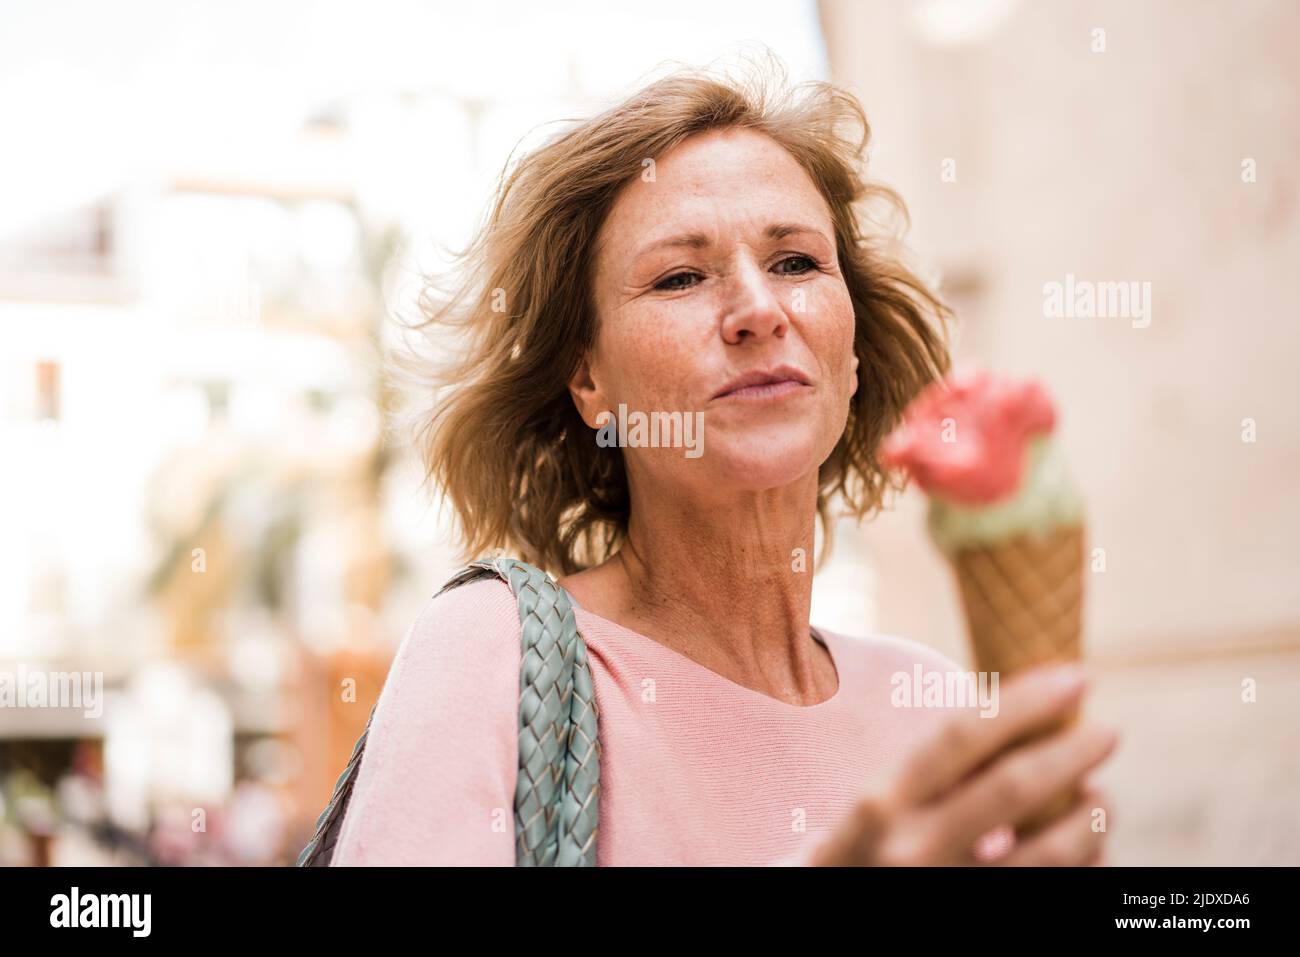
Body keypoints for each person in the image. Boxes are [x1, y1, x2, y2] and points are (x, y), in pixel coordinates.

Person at [332, 61, 1118, 866]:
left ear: (851, 356)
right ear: (588, 379)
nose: (759, 311)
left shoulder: (944, 705)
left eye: (797, 263)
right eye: (680, 276)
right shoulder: (490, 651)